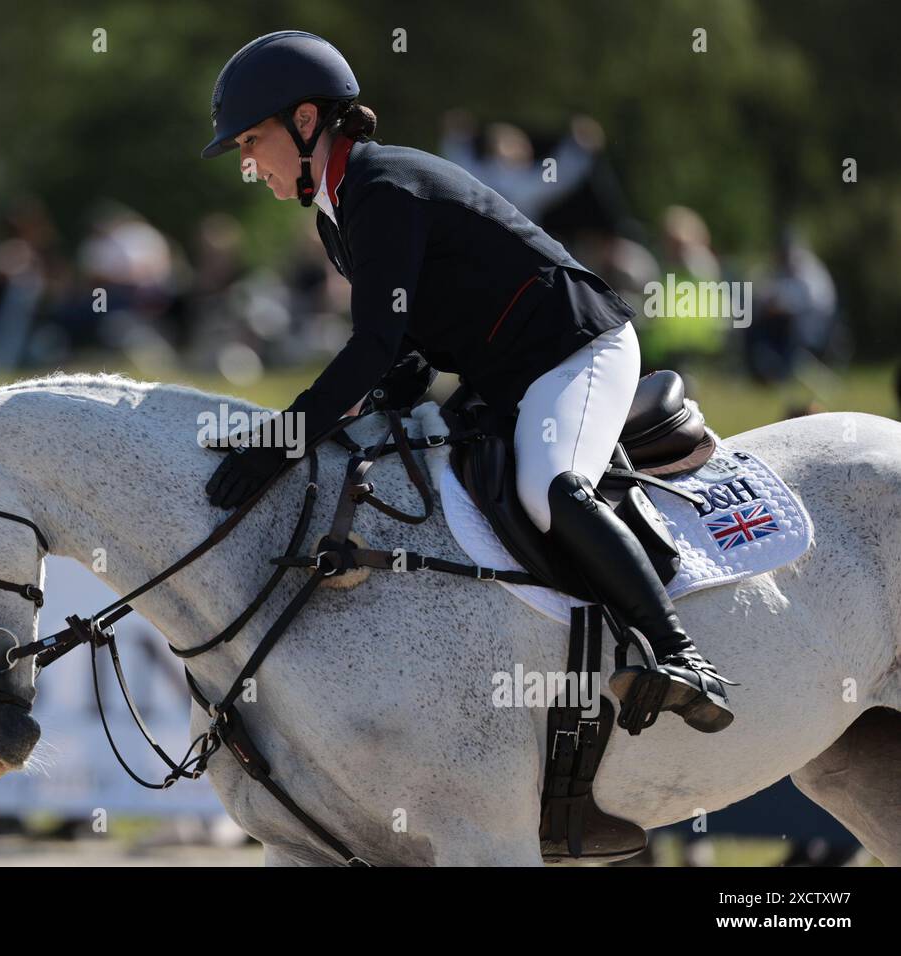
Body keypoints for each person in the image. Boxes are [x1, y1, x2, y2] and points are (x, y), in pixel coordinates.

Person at [198, 30, 733, 733]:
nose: (248, 163)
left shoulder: (381, 188)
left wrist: (283, 439)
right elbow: (407, 353)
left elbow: (370, 348)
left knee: (553, 486)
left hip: (577, 349)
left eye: (250, 141)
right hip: (507, 375)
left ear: (305, 121)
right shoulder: (340, 212)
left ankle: (683, 657)